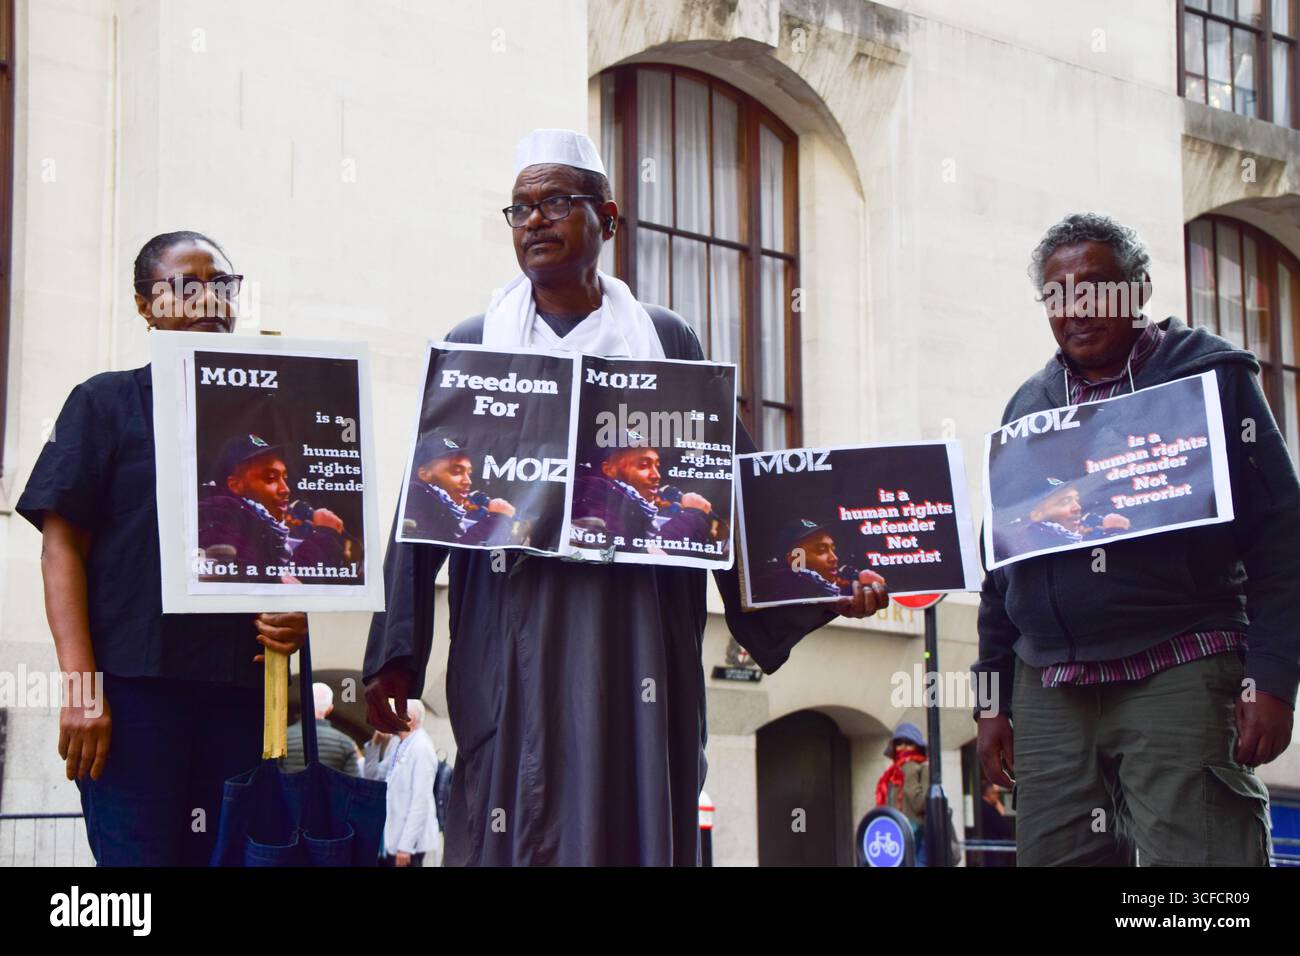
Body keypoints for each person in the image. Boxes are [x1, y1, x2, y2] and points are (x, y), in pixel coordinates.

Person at [363, 129, 890, 866]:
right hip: (508, 635)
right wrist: (395, 653)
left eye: (556, 201)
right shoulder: (476, 343)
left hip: (639, 630)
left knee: (633, 809)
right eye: (520, 209)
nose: (535, 220)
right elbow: (419, 506)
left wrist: (820, 587)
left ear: (607, 220)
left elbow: (735, 501)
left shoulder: (669, 343)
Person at [974, 212, 1299, 866]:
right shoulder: (1027, 409)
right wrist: (989, 700)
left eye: (1096, 288)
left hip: (1180, 661)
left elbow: (1282, 534)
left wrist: (1274, 679)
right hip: (1050, 684)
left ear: (1140, 290)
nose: (1076, 308)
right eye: (1057, 294)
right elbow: (1000, 567)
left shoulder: (1212, 377)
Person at [18, 231, 308, 866]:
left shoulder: (272, 419)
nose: (208, 298)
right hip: (132, 698)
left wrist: (298, 610)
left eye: (222, 285)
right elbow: (60, 547)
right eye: (184, 285)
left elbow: (294, 558)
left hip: (241, 696)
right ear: (146, 306)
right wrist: (82, 688)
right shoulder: (106, 402)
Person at [198, 434, 350, 582]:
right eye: (270, 478)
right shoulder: (220, 512)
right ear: (235, 485)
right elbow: (268, 589)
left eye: (284, 478)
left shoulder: (258, 525)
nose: (286, 489)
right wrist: (324, 534)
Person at [570, 438, 714, 551]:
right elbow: (645, 557)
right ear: (609, 469)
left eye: (657, 466)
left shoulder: (631, 509)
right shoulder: (592, 503)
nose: (656, 475)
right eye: (643, 465)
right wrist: (692, 515)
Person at [401, 431, 519, 545]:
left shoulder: (440, 504)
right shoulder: (417, 506)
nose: (468, 481)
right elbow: (452, 547)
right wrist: (497, 518)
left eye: (468, 473)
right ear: (424, 474)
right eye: (456, 471)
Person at [752, 519, 886, 602]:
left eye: (833, 549)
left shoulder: (833, 586)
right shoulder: (781, 590)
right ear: (795, 560)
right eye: (821, 550)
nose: (834, 558)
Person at [995, 477, 1129, 556]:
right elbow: (1098, 570)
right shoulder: (1041, 545)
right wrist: (1114, 532)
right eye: (1065, 502)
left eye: (1076, 499)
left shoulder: (1072, 537)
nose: (1078, 507)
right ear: (1036, 515)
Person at [381, 699, 442, 868]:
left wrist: (406, 846)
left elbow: (420, 801)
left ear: (410, 718)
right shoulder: (397, 744)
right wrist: (374, 745)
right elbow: (375, 776)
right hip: (394, 838)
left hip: (410, 846)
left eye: (393, 714)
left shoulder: (421, 748)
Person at [875, 723, 929, 862]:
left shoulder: (922, 769)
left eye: (909, 743)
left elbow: (919, 804)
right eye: (899, 743)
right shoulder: (892, 774)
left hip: (919, 838)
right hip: (895, 836)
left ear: (917, 746)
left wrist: (908, 770)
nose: (903, 747)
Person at [281, 682, 361, 776]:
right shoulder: (345, 743)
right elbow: (353, 785)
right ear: (330, 709)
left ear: (303, 703)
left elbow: (271, 780)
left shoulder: (282, 739)